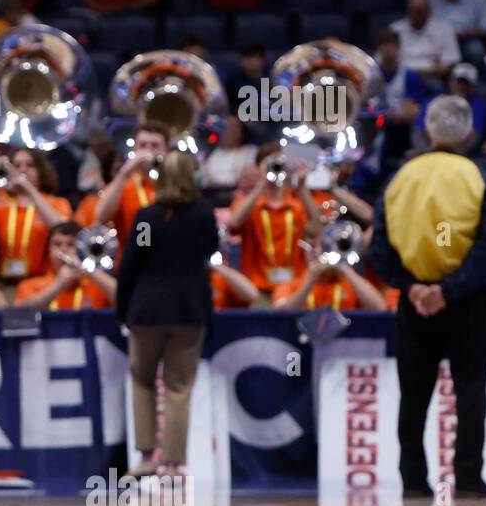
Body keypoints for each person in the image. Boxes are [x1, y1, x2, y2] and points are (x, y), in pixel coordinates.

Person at [368, 96, 486, 497]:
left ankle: (412, 479)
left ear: (426, 131)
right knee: (470, 390)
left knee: (414, 392)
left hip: (415, 303)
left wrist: (412, 287)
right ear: (468, 133)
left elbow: (379, 247)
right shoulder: (479, 177)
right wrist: (448, 290)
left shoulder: (401, 177)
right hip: (467, 302)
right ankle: (468, 477)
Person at [116, 151, 218, 479]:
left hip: (146, 311)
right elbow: (210, 250)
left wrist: (122, 310)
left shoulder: (147, 217)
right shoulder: (203, 214)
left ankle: (147, 458)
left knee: (142, 381)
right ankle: (173, 465)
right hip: (188, 311)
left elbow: (130, 266)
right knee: (178, 387)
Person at [0, 146, 71, 284]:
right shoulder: (1, 204)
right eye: (17, 166)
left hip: (42, 283)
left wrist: (28, 188)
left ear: (41, 171)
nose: (23, 170)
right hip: (4, 283)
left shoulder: (57, 203)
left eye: (30, 165)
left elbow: (61, 229)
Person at [226, 145, 309, 299]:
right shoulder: (249, 203)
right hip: (257, 290)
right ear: (259, 168)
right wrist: (262, 182)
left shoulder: (298, 202)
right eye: (270, 164)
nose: (276, 168)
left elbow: (319, 227)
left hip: (294, 289)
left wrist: (302, 188)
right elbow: (233, 224)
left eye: (281, 163)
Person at [93, 121, 169, 249]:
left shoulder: (174, 183)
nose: (148, 149)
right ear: (134, 148)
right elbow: (101, 216)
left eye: (155, 145)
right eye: (142, 145)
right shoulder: (122, 185)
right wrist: (125, 171)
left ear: (166, 149)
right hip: (131, 255)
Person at [15, 221, 116, 309]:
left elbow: (121, 298)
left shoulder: (97, 285)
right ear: (49, 251)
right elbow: (20, 313)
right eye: (57, 244)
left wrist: (88, 269)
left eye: (70, 244)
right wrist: (58, 285)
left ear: (82, 249)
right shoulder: (29, 285)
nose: (63, 249)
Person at [271, 246, 388, 311]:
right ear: (308, 252)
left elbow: (380, 308)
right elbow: (281, 315)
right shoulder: (290, 284)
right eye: (318, 247)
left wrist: (344, 268)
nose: (324, 253)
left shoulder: (350, 283)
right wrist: (310, 282)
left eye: (327, 248)